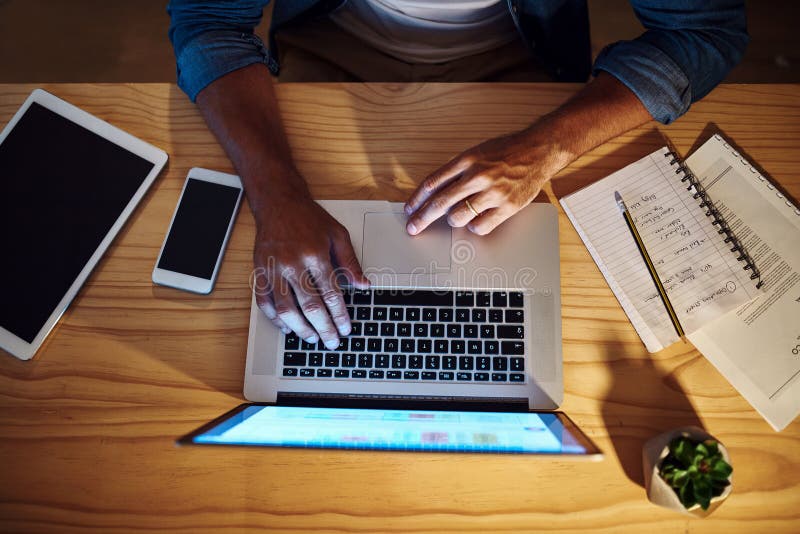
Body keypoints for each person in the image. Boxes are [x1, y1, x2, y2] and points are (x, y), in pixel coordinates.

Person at [168, 0, 748, 350]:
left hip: (525, 55)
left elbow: (703, 32)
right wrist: (275, 192)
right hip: (328, 46)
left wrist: (548, 145)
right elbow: (210, 22)